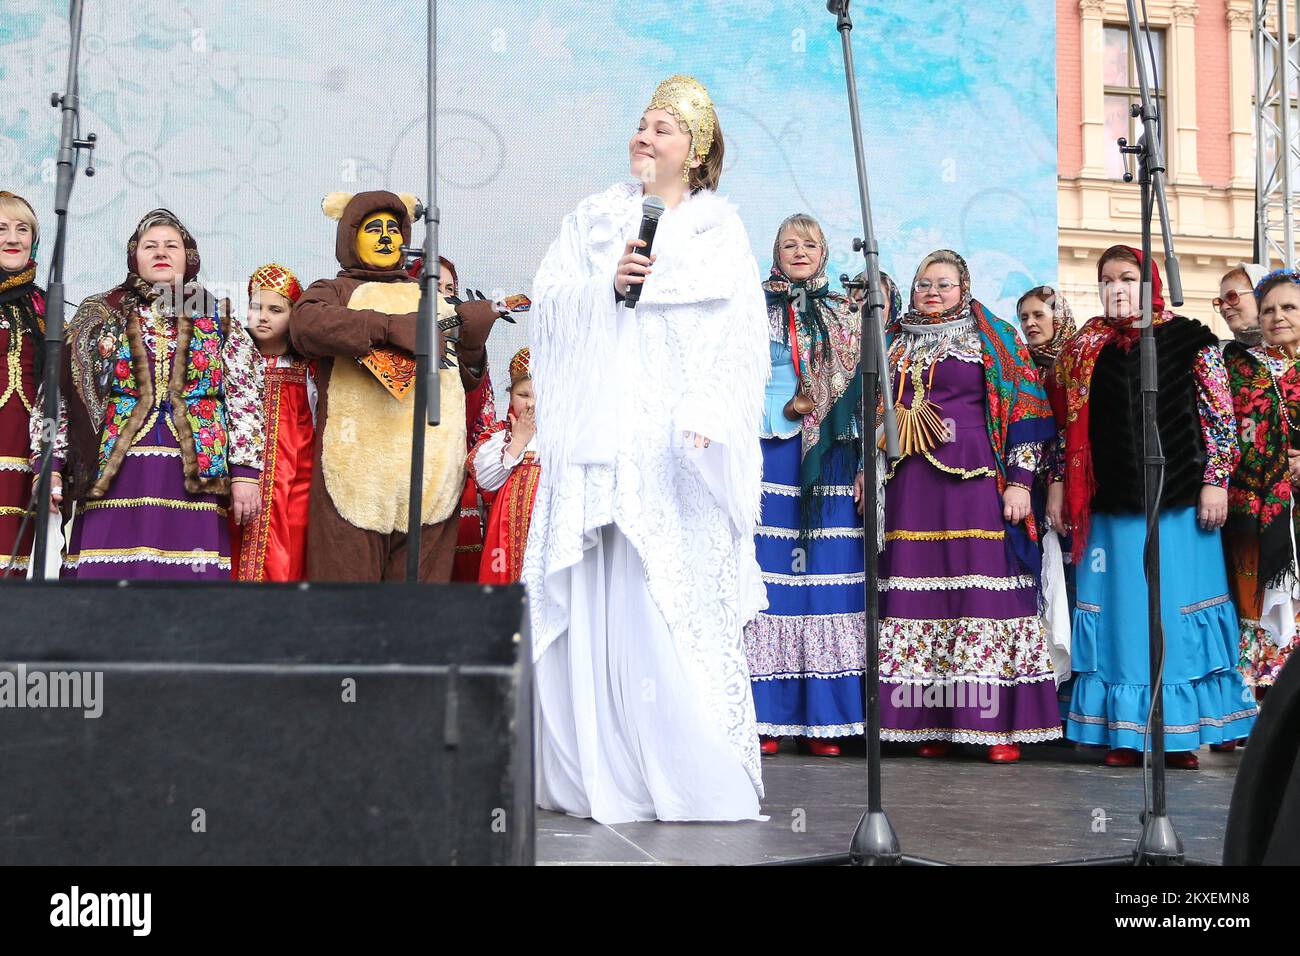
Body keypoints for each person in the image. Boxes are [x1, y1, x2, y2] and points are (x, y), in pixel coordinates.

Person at [523, 74, 770, 822]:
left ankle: (679, 768)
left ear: (695, 152)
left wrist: (707, 412)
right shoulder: (597, 218)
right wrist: (606, 285)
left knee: (663, 592)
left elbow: (738, 339)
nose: (644, 136)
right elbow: (549, 299)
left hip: (673, 451)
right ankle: (600, 773)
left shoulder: (717, 230)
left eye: (662, 127)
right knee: (598, 581)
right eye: (640, 123)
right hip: (601, 442)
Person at [1049, 244, 1257, 769]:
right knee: (1120, 618)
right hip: (1111, 510)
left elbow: (1219, 417)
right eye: (1107, 278)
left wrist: (1214, 481)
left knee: (1175, 616)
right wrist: (1058, 486)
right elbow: (1062, 431)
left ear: (1151, 284)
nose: (1117, 287)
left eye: (1128, 277)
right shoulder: (1084, 349)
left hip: (1180, 504)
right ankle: (1124, 733)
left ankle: (1179, 736)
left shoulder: (1191, 339)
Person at [874, 249, 1062, 762]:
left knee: (981, 596)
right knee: (920, 598)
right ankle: (929, 722)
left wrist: (1021, 481)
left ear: (965, 287)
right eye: (922, 284)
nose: (932, 292)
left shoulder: (992, 336)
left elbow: (1027, 407)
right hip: (910, 486)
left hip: (977, 482)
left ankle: (994, 725)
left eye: (944, 284)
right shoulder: (893, 341)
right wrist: (866, 471)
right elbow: (874, 411)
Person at [289, 191, 506, 581]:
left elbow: (463, 382)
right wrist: (388, 327)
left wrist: (473, 344)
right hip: (355, 480)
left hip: (431, 481)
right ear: (349, 236)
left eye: (394, 228)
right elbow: (306, 326)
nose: (387, 236)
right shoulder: (334, 290)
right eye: (373, 228)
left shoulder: (428, 294)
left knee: (417, 622)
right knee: (348, 615)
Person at [36, 208, 264, 579]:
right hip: (113, 472)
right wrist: (50, 467)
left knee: (186, 588)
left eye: (171, 246)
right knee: (105, 585)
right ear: (134, 257)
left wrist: (244, 474)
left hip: (196, 476)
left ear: (188, 257)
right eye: (150, 246)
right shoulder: (101, 312)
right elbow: (62, 394)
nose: (160, 253)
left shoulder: (216, 317)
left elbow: (244, 396)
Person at [744, 213, 864, 757]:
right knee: (772, 585)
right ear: (774, 251)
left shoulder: (846, 312)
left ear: (825, 252)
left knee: (827, 582)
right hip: (771, 453)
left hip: (831, 463)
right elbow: (738, 378)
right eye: (788, 243)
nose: (799, 251)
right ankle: (768, 718)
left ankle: (826, 719)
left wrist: (864, 461)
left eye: (809, 244)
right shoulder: (751, 308)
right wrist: (785, 411)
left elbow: (862, 394)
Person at [1222, 268, 1300, 697]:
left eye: (1289, 307)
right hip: (1251, 514)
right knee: (1252, 609)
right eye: (1268, 308)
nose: (1277, 316)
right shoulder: (1237, 367)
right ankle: (1257, 712)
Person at [231, 263, 315, 581]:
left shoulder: (310, 370)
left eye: (275, 309)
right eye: (256, 306)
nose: (263, 316)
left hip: (295, 488)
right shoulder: (235, 360)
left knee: (288, 561)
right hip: (241, 486)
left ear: (294, 315)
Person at [0, 191, 44, 575]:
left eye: (22, 229)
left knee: (10, 561)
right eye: (1, 229)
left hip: (23, 450)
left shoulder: (46, 308)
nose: (13, 238)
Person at [468, 347, 539, 584]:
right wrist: (518, 441)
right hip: (509, 529)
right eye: (523, 394)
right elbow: (486, 480)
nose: (531, 404)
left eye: (539, 394)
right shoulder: (501, 436)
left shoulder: (569, 437)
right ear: (510, 395)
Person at [1217, 262, 1266, 354]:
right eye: (1220, 302)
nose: (1223, 307)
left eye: (1232, 296)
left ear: (1261, 296)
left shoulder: (1294, 350)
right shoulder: (1220, 358)